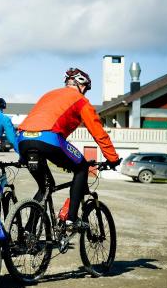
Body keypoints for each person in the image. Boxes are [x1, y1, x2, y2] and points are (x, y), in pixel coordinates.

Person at [17, 68, 121, 230]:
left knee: (44, 187)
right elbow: (98, 133)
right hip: (48, 139)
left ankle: (29, 232)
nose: (85, 92)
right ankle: (71, 218)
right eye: (86, 89)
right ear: (82, 85)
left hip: (23, 140)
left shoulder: (49, 94)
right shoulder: (80, 100)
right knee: (81, 167)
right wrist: (113, 158)